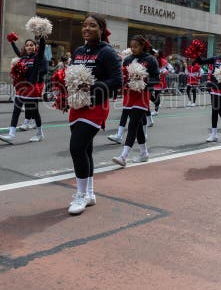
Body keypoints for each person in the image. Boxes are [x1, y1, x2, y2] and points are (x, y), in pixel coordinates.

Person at [67, 13, 122, 215]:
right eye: (84, 25)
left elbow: (117, 81)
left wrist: (93, 86)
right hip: (77, 105)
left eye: (92, 25)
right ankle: (89, 194)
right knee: (85, 150)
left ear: (101, 29)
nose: (87, 29)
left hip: (96, 106)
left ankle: (81, 195)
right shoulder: (79, 50)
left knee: (76, 148)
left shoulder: (107, 52)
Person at [112, 35, 160, 168]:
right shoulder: (128, 59)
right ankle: (144, 153)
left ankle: (123, 156)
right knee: (138, 127)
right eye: (131, 46)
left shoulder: (150, 59)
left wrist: (142, 80)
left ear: (142, 46)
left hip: (142, 95)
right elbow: (123, 76)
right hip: (129, 95)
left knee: (132, 124)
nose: (133, 49)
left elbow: (156, 79)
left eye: (136, 46)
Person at [0, 34, 48, 144]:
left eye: (31, 45)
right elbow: (17, 52)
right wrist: (12, 42)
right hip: (21, 88)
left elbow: (42, 49)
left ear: (35, 47)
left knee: (35, 113)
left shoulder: (38, 57)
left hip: (32, 89)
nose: (29, 47)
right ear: (25, 47)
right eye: (27, 45)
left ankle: (39, 134)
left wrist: (42, 36)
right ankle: (11, 135)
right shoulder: (23, 58)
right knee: (16, 111)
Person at [195, 42, 221, 142]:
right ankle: (214, 134)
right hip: (214, 87)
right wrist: (196, 52)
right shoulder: (215, 58)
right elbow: (201, 61)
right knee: (214, 110)